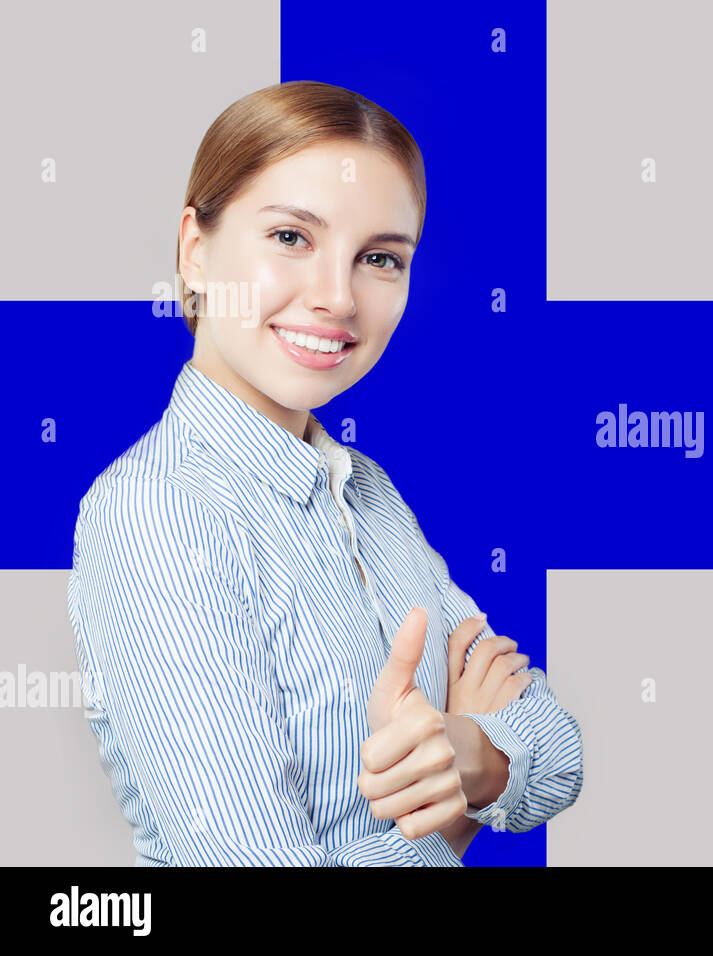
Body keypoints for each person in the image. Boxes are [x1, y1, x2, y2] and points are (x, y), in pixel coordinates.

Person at [65, 80, 583, 866]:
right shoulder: (156, 512)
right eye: (291, 238)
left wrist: (470, 751)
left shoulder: (367, 491)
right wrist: (453, 820)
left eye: (378, 258)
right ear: (195, 251)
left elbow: (559, 750)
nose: (337, 298)